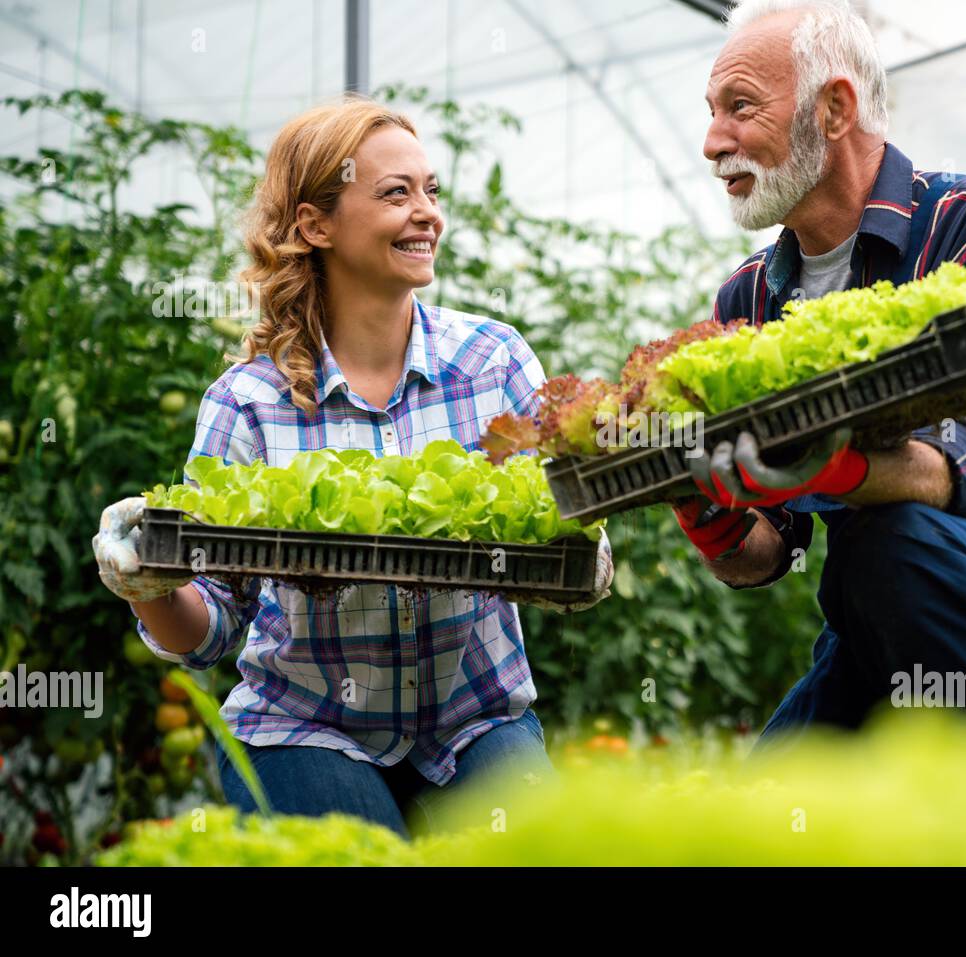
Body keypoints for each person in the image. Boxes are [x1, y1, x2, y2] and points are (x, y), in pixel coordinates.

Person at [92, 98, 613, 837]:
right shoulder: (250, 402)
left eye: (432, 190)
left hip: (473, 716)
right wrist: (146, 582)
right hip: (306, 723)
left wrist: (579, 552)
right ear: (316, 224)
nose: (427, 212)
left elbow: (556, 523)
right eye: (396, 193)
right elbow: (205, 631)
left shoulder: (490, 362)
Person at [675, 0, 966, 764]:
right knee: (763, 816)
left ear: (834, 109)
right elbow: (769, 552)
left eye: (739, 107)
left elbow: (958, 470)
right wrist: (701, 500)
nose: (712, 142)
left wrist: (823, 460)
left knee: (891, 541)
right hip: (882, 617)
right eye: (710, 112)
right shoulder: (749, 300)